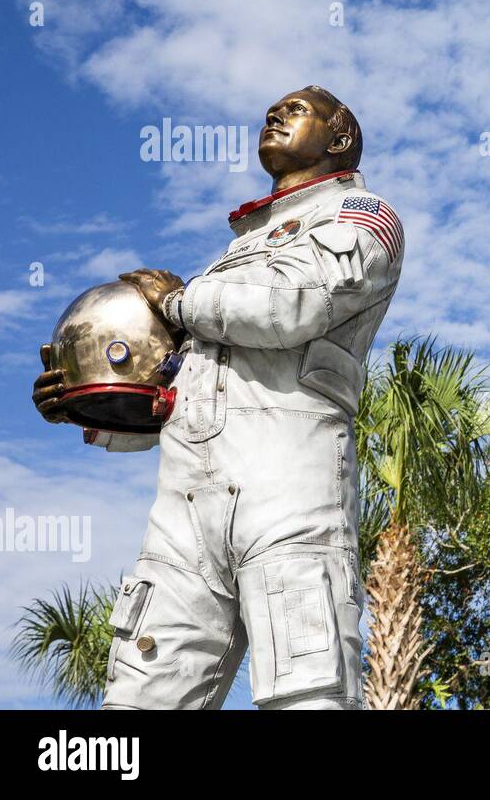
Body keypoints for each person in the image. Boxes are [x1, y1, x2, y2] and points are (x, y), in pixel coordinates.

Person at [32, 86, 405, 709]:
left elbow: (296, 305)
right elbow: (188, 396)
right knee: (140, 699)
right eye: (271, 110)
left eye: (298, 109)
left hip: (287, 497)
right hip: (183, 513)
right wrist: (88, 409)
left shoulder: (362, 217)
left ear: (339, 138)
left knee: (305, 691)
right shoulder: (228, 259)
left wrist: (178, 303)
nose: (275, 115)